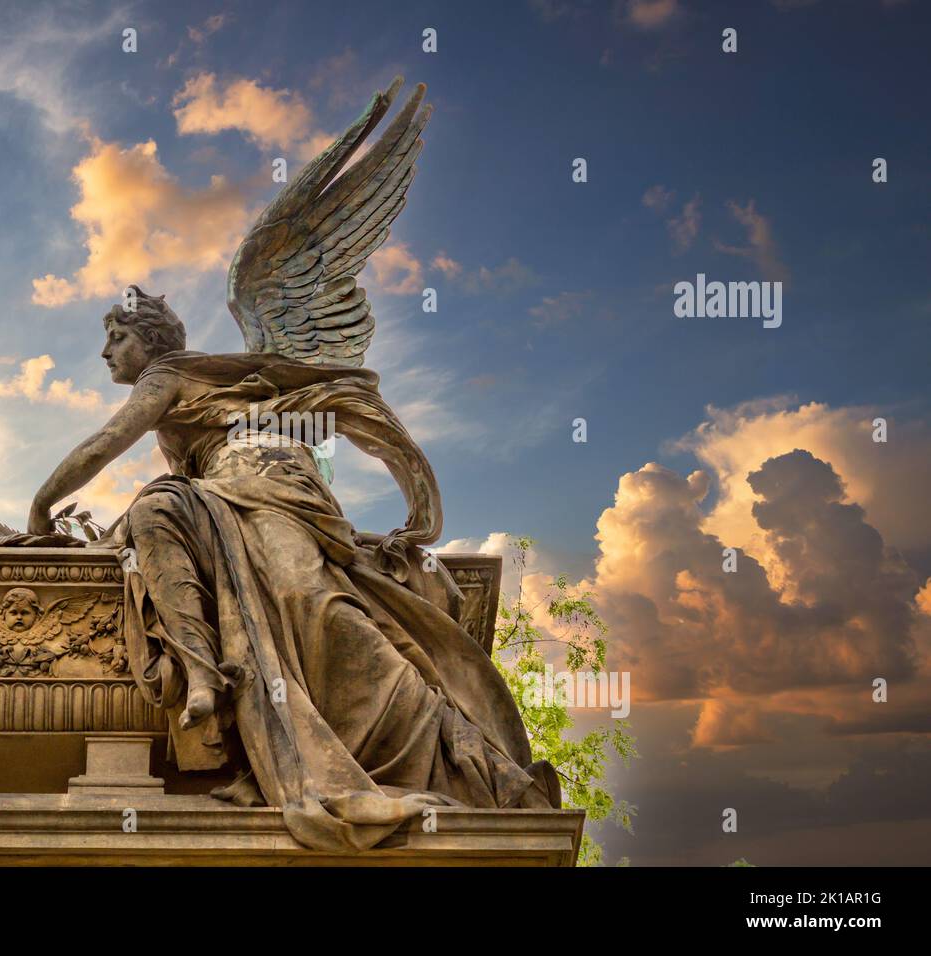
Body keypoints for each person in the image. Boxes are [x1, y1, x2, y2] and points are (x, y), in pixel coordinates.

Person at [29, 287, 560, 851]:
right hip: (231, 497)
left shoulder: (166, 374)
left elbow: (108, 441)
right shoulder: (209, 387)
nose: (106, 353)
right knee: (165, 513)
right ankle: (204, 673)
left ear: (152, 342)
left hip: (264, 487)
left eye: (117, 337)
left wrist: (41, 505)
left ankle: (439, 749)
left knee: (312, 601)